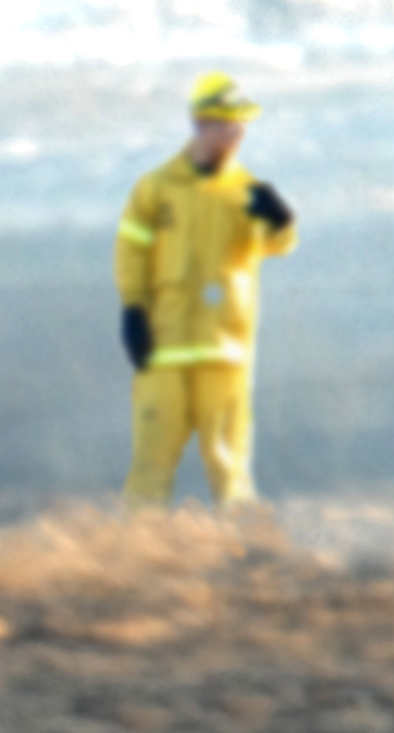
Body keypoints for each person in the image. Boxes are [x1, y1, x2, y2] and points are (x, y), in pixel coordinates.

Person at [115, 72, 297, 510]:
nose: (236, 134)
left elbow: (278, 243)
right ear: (201, 125)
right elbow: (132, 250)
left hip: (226, 348)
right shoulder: (156, 190)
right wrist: (134, 310)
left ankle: (240, 553)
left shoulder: (247, 191)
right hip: (165, 346)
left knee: (229, 462)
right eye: (227, 123)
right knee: (152, 458)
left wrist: (280, 219)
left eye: (241, 124)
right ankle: (138, 552)